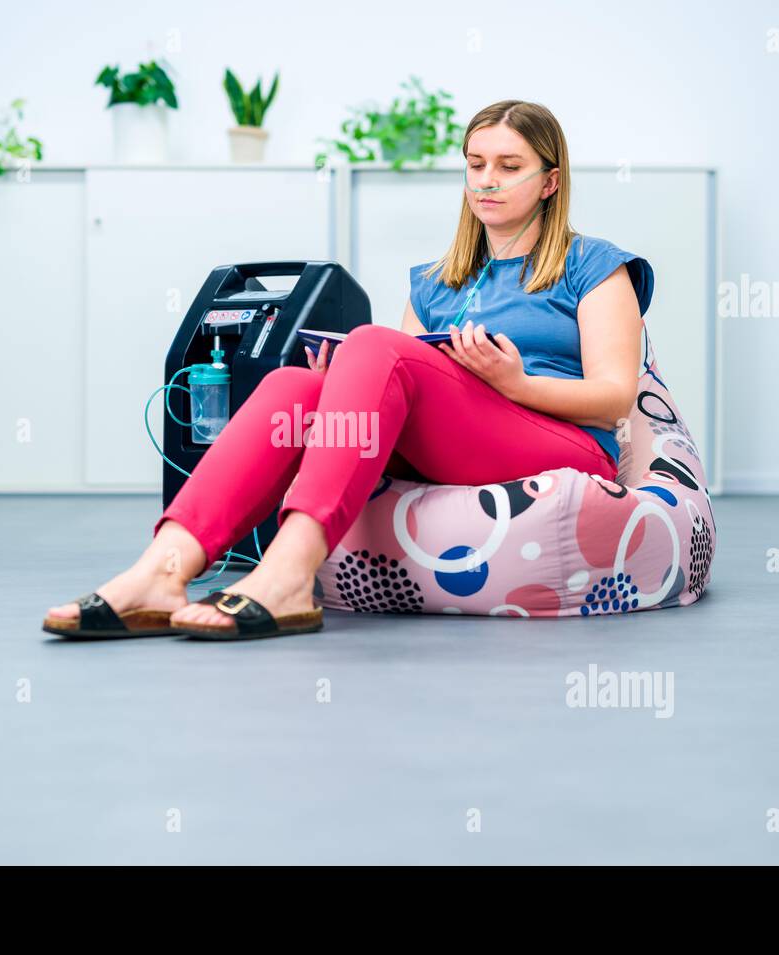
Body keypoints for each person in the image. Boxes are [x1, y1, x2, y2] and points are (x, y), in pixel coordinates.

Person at [43, 99, 653, 640]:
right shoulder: (438, 281)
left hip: (561, 443)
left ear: (550, 181)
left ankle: (286, 574)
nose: (486, 181)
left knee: (374, 344)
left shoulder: (593, 265)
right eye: (475, 164)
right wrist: (345, 381)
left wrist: (515, 384)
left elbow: (613, 399)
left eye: (508, 166)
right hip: (457, 443)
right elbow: (411, 381)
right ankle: (161, 572)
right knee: (295, 386)